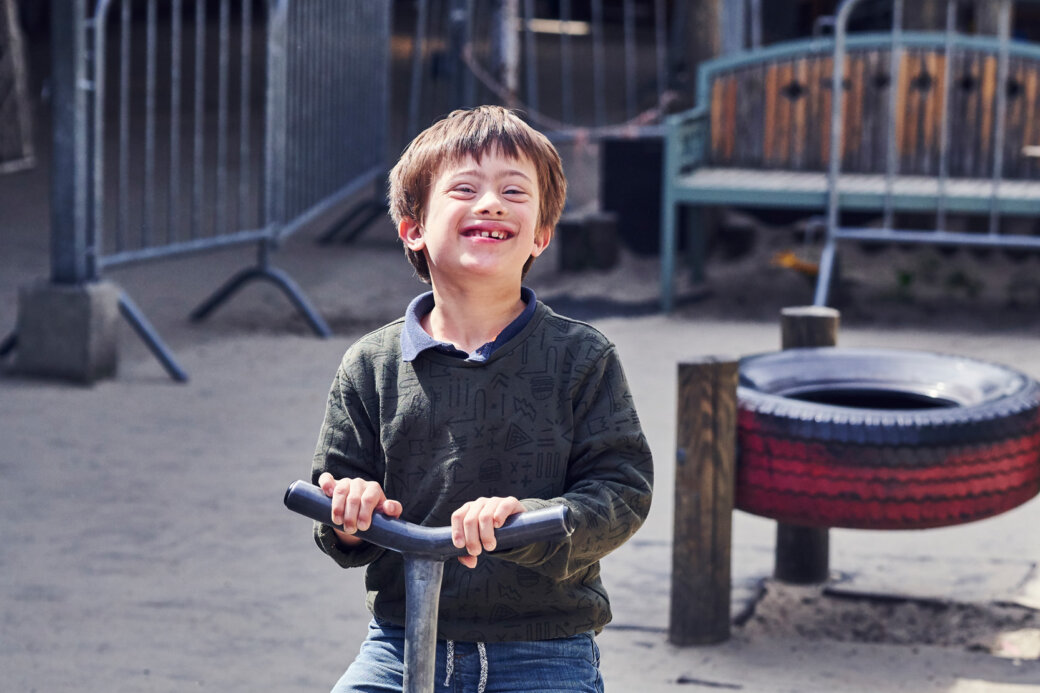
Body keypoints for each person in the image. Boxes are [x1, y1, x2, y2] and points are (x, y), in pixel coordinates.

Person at [311, 105, 653, 693]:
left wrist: (533, 519)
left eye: (514, 192)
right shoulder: (371, 364)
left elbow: (622, 491)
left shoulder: (581, 357)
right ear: (413, 229)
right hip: (400, 639)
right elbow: (335, 498)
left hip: (543, 645)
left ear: (541, 234)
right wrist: (350, 510)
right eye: (465, 189)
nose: (491, 203)